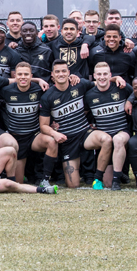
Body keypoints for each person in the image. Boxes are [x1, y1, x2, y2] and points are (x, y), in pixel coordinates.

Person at [38, 59, 109, 189]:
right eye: (57, 72)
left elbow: (100, 83)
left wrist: (115, 78)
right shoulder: (47, 97)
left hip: (85, 133)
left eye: (64, 71)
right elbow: (43, 126)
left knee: (106, 139)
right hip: (67, 140)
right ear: (52, 75)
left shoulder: (79, 84)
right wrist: (55, 133)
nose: (61, 74)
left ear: (69, 73)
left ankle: (97, 179)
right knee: (73, 185)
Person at [84, 62, 132, 189]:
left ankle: (117, 180)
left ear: (110, 75)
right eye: (99, 74)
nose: (102, 77)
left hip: (121, 132)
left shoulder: (121, 88)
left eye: (105, 74)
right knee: (107, 183)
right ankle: (115, 175)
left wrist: (130, 101)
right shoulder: (89, 95)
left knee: (117, 139)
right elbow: (83, 113)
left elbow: (136, 93)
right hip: (104, 137)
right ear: (94, 76)